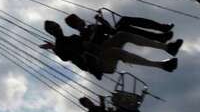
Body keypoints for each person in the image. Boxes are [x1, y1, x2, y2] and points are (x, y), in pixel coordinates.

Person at [42, 20, 179, 77]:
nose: (57, 28)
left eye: (56, 25)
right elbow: (66, 57)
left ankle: (167, 47)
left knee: (122, 35)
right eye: (53, 28)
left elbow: (91, 43)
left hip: (100, 51)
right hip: (98, 64)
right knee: (114, 52)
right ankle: (162, 65)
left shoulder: (72, 37)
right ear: (50, 32)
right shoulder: (60, 46)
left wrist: (96, 32)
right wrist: (54, 48)